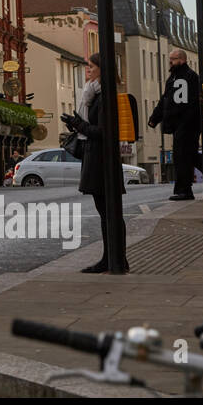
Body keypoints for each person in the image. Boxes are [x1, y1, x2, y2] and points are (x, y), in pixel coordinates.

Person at [61, 53, 128, 274]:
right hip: (96, 158)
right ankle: (110, 258)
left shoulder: (105, 96)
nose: (87, 70)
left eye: (90, 66)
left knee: (110, 212)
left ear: (101, 69)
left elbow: (103, 131)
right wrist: (76, 123)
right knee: (106, 212)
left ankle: (115, 259)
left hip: (102, 160)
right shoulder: (94, 95)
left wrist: (79, 124)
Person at [148, 49, 203, 200]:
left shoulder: (183, 78)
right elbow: (165, 100)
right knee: (191, 157)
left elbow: (175, 103)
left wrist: (158, 118)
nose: (170, 62)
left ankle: (184, 191)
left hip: (185, 125)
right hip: (184, 125)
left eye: (173, 59)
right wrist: (155, 117)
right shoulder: (176, 77)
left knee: (182, 158)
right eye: (170, 59)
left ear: (182, 60)